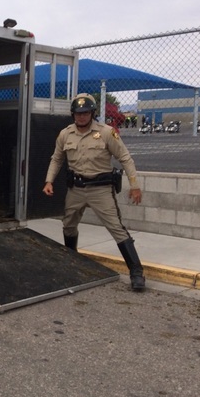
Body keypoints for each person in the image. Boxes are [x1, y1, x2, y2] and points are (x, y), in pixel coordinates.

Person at [42, 93, 146, 291]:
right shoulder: (65, 134)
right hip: (76, 189)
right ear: (73, 114)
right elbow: (57, 159)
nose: (82, 117)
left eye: (86, 113)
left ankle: (136, 272)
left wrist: (134, 185)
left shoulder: (106, 133)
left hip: (100, 190)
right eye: (78, 113)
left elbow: (125, 157)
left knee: (116, 228)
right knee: (68, 225)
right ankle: (72, 261)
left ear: (92, 113)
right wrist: (49, 181)